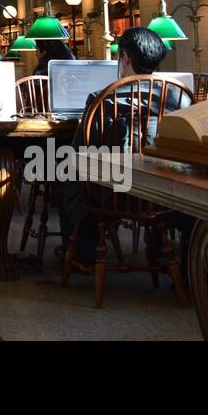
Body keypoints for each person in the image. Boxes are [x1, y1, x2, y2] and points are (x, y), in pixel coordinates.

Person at [55, 27, 191, 266]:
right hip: (166, 191)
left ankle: (83, 254)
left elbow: (80, 152)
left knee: (67, 174)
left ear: (125, 57)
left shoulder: (103, 98)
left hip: (118, 193)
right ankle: (164, 251)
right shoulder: (178, 96)